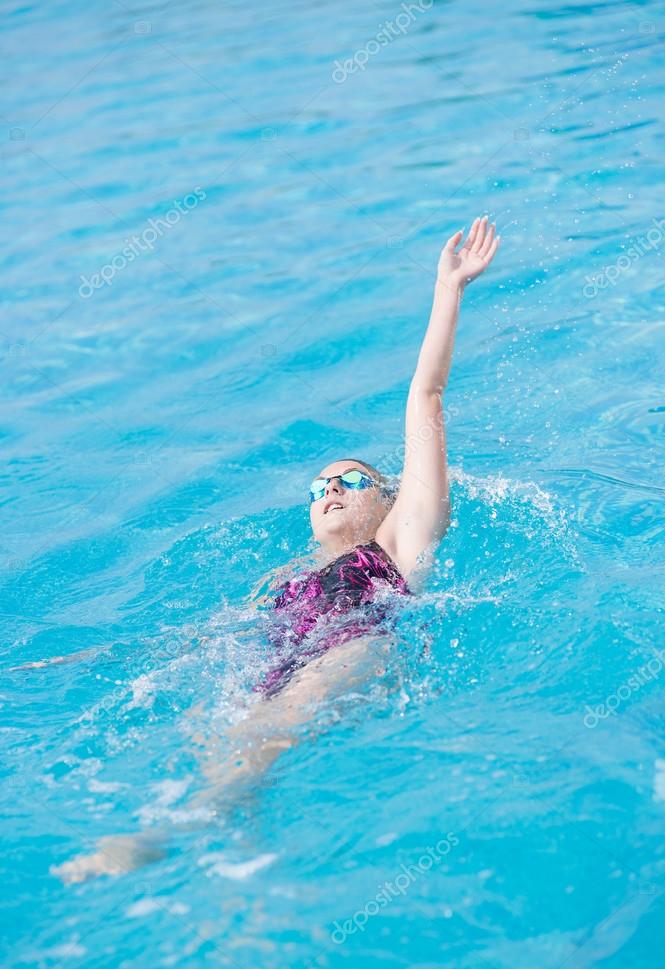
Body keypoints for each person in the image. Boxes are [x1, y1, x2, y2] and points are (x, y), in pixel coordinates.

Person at [53, 215, 500, 882]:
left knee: (254, 744)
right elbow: (221, 635)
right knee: (219, 745)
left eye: (351, 480)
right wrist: (99, 657)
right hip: (279, 661)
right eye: (319, 487)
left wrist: (448, 290)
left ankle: (160, 838)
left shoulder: (400, 539)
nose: (330, 490)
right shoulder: (290, 575)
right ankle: (243, 876)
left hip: (359, 646)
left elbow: (425, 397)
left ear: (388, 498)